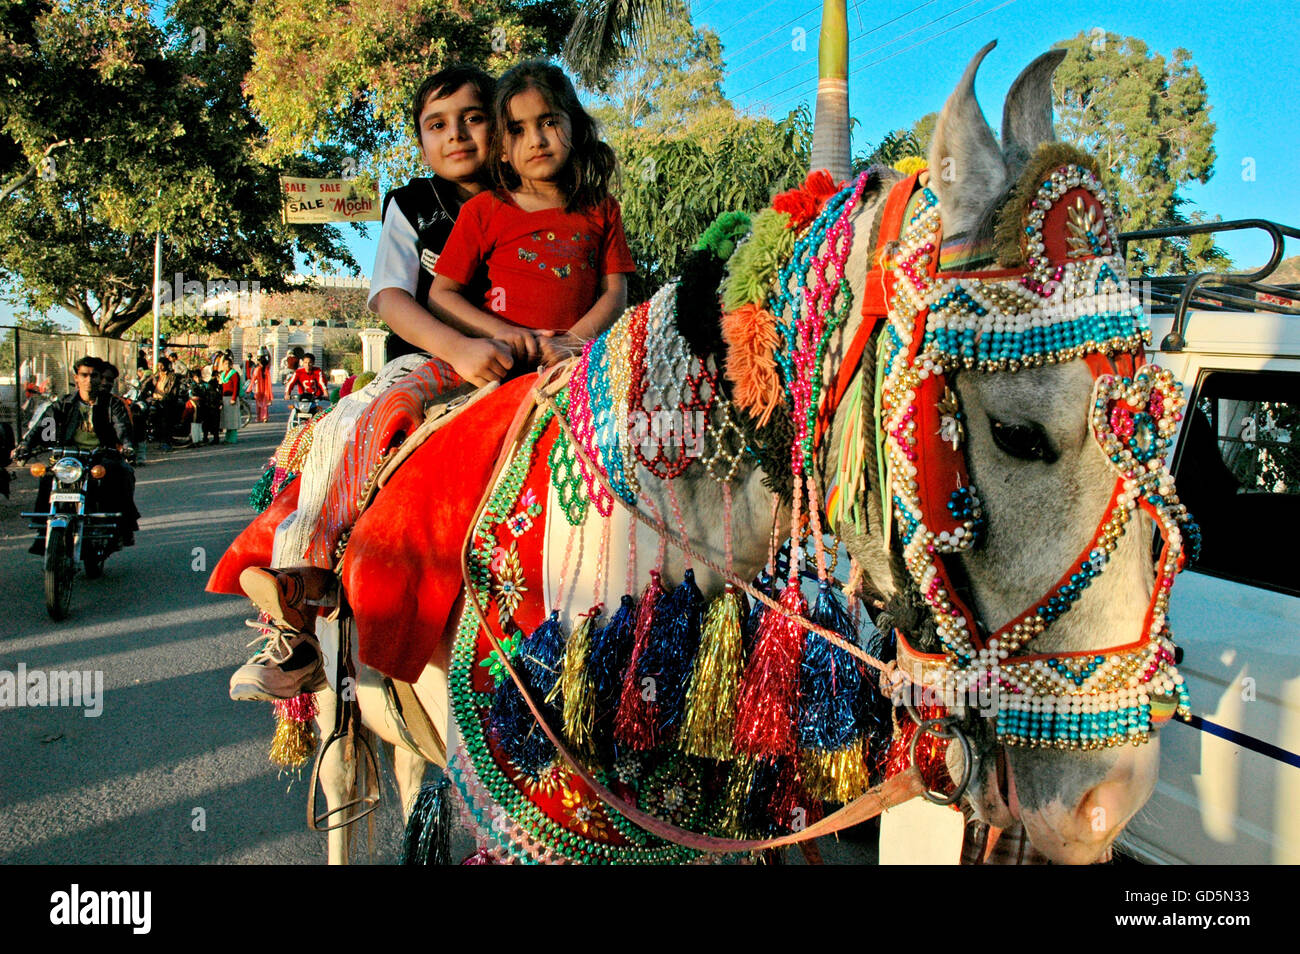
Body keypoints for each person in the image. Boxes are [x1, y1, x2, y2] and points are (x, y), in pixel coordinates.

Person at [230, 62, 502, 701]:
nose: (456, 134)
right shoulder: (412, 207)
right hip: (433, 367)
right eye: (437, 125)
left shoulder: (529, 193)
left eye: (473, 117)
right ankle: (300, 609)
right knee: (352, 421)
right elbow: (388, 295)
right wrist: (459, 350)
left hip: (532, 364)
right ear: (420, 140)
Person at [427, 59, 633, 379]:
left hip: (578, 365)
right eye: (517, 130)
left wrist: (572, 343)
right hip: (495, 364)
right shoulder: (484, 210)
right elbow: (441, 295)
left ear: (574, 128)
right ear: (503, 150)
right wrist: (500, 333)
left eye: (548, 122)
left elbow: (615, 293)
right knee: (406, 401)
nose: (535, 139)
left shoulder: (601, 207)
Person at [12, 356, 139, 551]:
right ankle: (42, 531)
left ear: (100, 378)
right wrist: (24, 446)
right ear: (76, 378)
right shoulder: (64, 404)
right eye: (84, 375)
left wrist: (128, 446)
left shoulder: (112, 405)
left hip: (101, 456)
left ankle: (123, 528)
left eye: (94, 375)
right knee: (47, 478)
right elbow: (44, 429)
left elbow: (122, 428)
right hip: (69, 457)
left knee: (123, 472)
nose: (89, 380)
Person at [218, 354, 241, 444]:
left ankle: (232, 439)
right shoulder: (223, 374)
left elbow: (236, 387)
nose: (226, 366)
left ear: (231, 365)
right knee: (227, 419)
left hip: (232, 398)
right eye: (225, 364)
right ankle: (227, 438)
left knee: (233, 419)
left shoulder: (234, 374)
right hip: (225, 398)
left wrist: (234, 398)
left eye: (228, 364)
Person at [250, 353, 274, 423]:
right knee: (265, 404)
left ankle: (258, 418)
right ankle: (265, 417)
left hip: (258, 388)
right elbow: (270, 360)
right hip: (266, 388)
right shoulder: (267, 368)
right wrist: (268, 354)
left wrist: (249, 388)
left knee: (258, 404)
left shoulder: (257, 369)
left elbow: (253, 379)